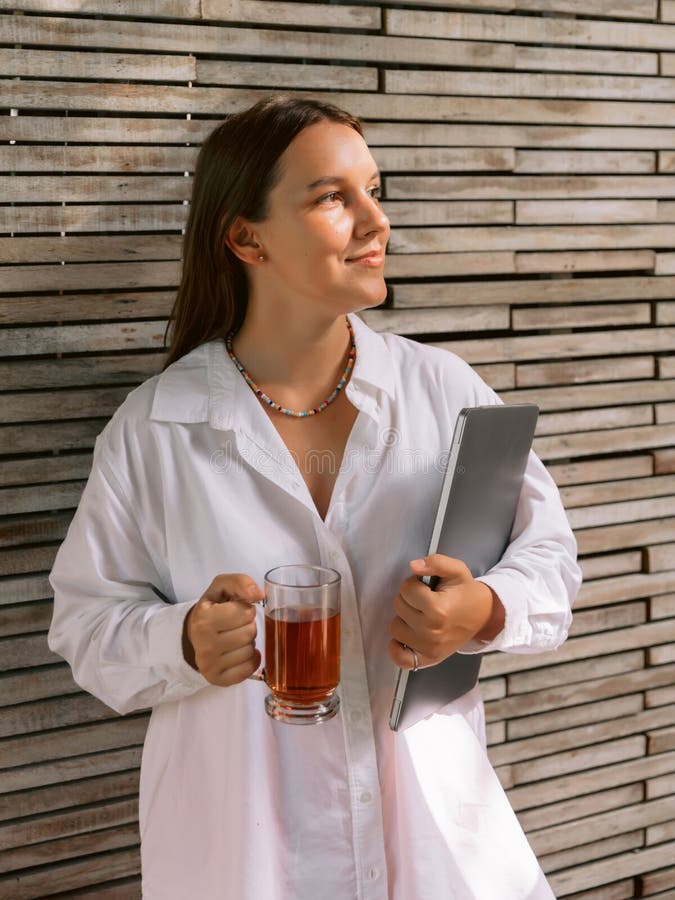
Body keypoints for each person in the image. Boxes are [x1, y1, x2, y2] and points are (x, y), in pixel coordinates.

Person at [48, 95, 581, 900]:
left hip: (437, 849)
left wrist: (485, 612)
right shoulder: (157, 428)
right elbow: (85, 626)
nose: (376, 223)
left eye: (375, 189)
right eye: (333, 197)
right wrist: (184, 642)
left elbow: (547, 556)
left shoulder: (443, 391)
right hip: (247, 859)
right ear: (244, 236)